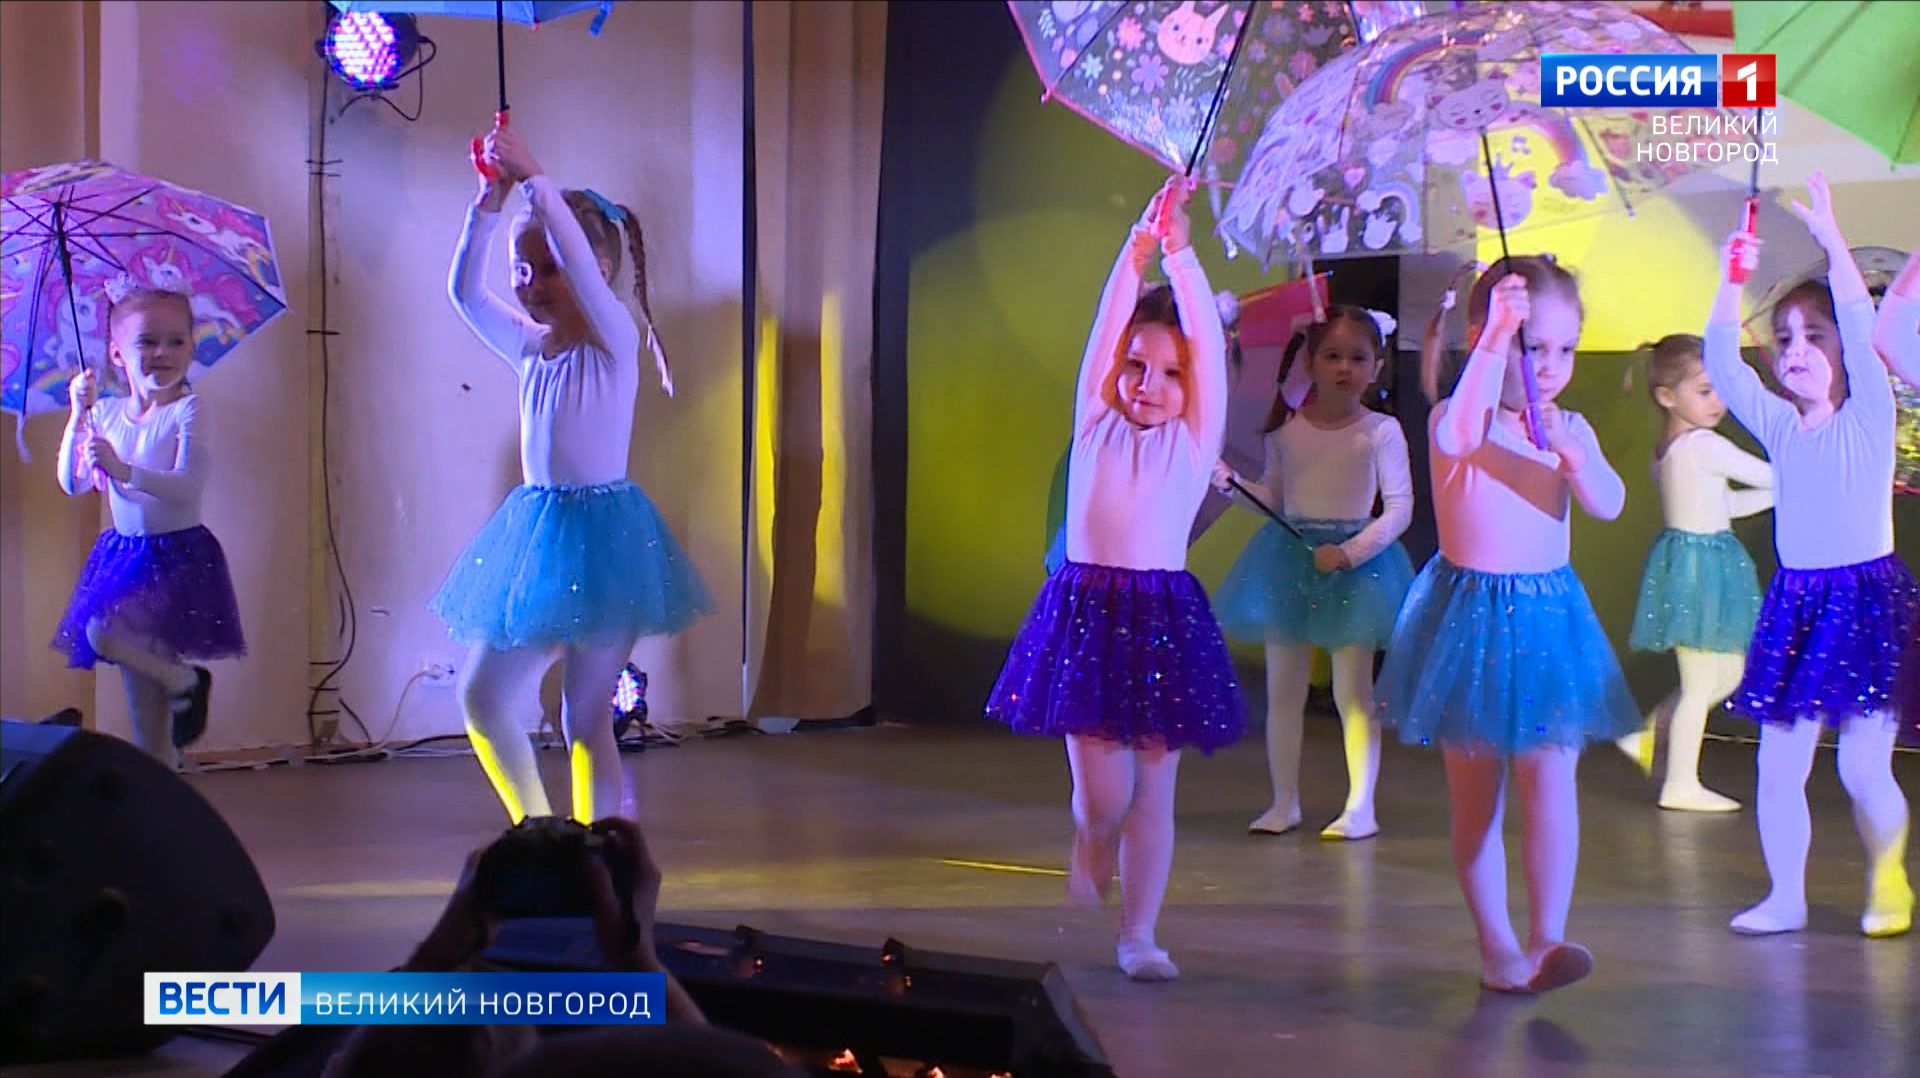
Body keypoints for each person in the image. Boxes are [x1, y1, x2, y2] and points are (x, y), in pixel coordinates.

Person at [984, 177, 1244, 982]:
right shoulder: (1094, 419)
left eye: (1171, 373)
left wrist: (1183, 256)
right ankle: (1090, 834)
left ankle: (1140, 935)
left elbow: (1205, 345)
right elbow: (1107, 326)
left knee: (1154, 791)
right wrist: (1139, 247)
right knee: (1104, 798)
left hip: (1162, 620)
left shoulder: (1194, 442)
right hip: (1089, 618)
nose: (1147, 383)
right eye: (1136, 364)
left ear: (1195, 387)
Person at [438, 124, 712, 825]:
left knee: (584, 718)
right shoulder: (530, 350)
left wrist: (536, 180)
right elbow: (465, 294)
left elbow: (582, 275)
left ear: (595, 267)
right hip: (539, 539)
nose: (532, 286)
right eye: (522, 271)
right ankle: (536, 832)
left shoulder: (615, 339)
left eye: (550, 269)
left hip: (606, 546)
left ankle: (600, 848)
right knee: (482, 698)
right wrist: (488, 203)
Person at [1376, 255, 1637, 993]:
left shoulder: (1570, 425)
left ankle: (1548, 936)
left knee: (1552, 781)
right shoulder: (1455, 418)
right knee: (1477, 802)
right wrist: (1497, 334)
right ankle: (1496, 947)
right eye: (1533, 346)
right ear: (1486, 332)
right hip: (1471, 623)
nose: (1549, 366)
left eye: (1565, 348)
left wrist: (1576, 456)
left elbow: (1609, 502)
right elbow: (1460, 437)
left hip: (1549, 620)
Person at [1708, 175, 1916, 939]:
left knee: (1862, 767)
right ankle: (1785, 896)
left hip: (1866, 604)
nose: (1795, 350)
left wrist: (1832, 239)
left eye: (1813, 336)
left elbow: (1861, 327)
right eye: (1785, 338)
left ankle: (1888, 877)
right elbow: (1722, 365)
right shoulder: (1778, 425)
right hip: (1797, 603)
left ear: (1843, 352)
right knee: (1777, 764)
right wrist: (1729, 281)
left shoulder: (1869, 414)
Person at [1211, 305, 1415, 840]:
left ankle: (1360, 806)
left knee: (1353, 692)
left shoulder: (1382, 431)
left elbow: (1399, 509)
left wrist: (1350, 552)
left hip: (1357, 570)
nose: (1344, 367)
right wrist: (1233, 485)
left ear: (1377, 367)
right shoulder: (1286, 433)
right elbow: (1276, 500)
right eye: (1332, 356)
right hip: (1290, 560)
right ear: (1311, 362)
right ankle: (1284, 802)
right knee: (1283, 690)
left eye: (1358, 358)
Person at [53, 276, 244, 768]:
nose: (163, 353)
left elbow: (187, 484)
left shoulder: (188, 409)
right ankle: (164, 789)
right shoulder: (106, 413)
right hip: (124, 556)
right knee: (148, 718)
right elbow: (72, 483)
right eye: (147, 342)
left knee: (102, 631)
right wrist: (77, 415)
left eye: (176, 341)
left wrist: (122, 471)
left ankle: (187, 681)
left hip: (178, 559)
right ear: (117, 354)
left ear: (191, 347)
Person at [1618, 334, 1771, 811]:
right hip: (1702, 569)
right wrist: (1799, 476)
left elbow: (1725, 506)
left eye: (1720, 387)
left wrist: (1783, 495)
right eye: (1705, 390)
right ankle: (1680, 783)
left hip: (1699, 562)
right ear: (1667, 396)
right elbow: (1771, 475)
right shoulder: (1704, 445)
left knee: (1725, 674)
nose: (1718, 400)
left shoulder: (1669, 448)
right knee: (1704, 681)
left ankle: (1647, 734)